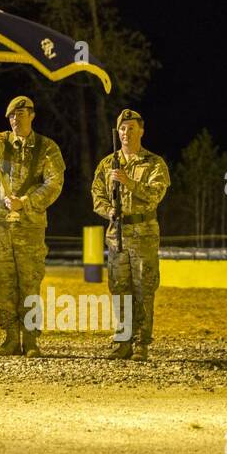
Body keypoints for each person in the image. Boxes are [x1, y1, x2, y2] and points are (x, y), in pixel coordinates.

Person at [0, 95, 65, 357]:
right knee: (3, 281)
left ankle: (30, 338)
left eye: (22, 113)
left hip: (30, 225)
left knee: (29, 281)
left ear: (32, 115)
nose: (16, 119)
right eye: (12, 115)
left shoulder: (47, 148)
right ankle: (9, 337)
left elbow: (54, 183)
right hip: (2, 225)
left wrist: (26, 202)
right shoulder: (1, 141)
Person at [90, 109, 171, 361]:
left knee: (143, 288)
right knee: (119, 287)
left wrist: (128, 182)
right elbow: (96, 196)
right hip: (117, 235)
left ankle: (141, 343)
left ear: (141, 131)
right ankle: (123, 339)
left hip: (143, 234)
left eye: (132, 128)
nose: (127, 133)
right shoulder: (107, 164)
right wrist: (109, 210)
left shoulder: (154, 163)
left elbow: (155, 194)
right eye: (123, 129)